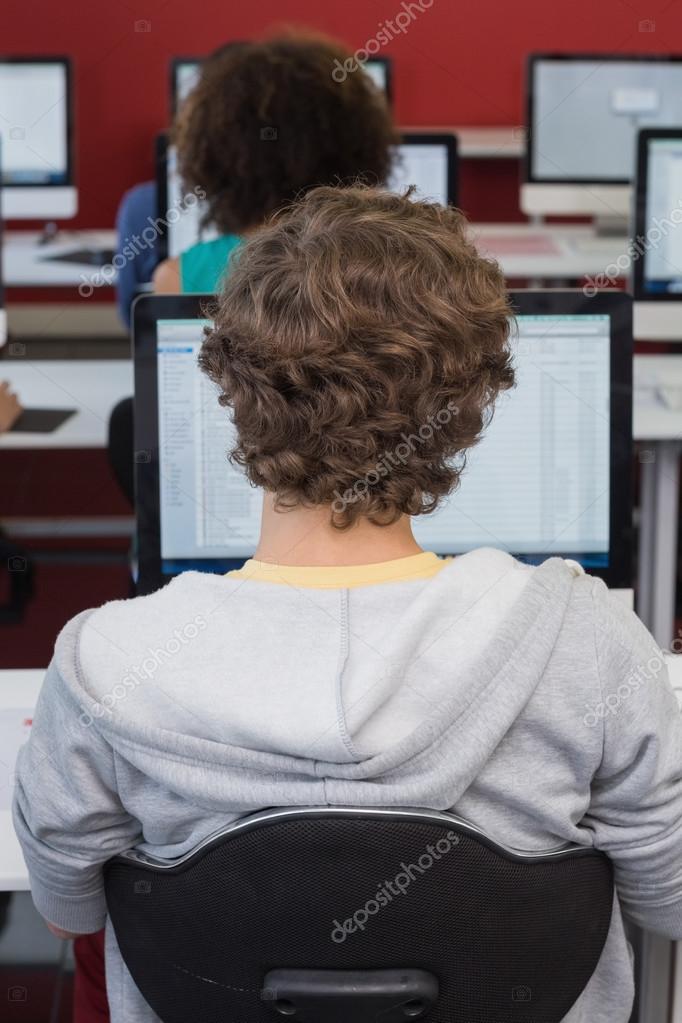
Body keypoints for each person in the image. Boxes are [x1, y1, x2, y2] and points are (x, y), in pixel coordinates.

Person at [13, 185, 682, 1023]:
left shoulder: (101, 666)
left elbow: (65, 910)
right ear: (467, 410)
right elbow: (668, 901)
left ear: (229, 380)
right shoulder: (593, 642)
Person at [108, 31, 396, 509]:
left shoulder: (179, 277)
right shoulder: (395, 267)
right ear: (362, 144)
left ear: (215, 156)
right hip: (374, 507)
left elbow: (186, 435)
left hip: (234, 510)